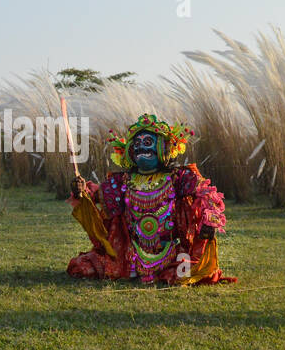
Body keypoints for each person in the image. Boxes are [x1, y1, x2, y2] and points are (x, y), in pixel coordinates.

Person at [67, 114, 235, 285]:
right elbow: (96, 195)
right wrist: (81, 190)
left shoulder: (178, 177)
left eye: (147, 143)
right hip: (131, 256)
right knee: (83, 267)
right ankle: (137, 269)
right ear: (130, 151)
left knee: (186, 271)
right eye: (137, 144)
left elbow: (206, 194)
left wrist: (209, 222)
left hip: (171, 253)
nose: (141, 149)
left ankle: (163, 270)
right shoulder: (122, 181)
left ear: (163, 148)